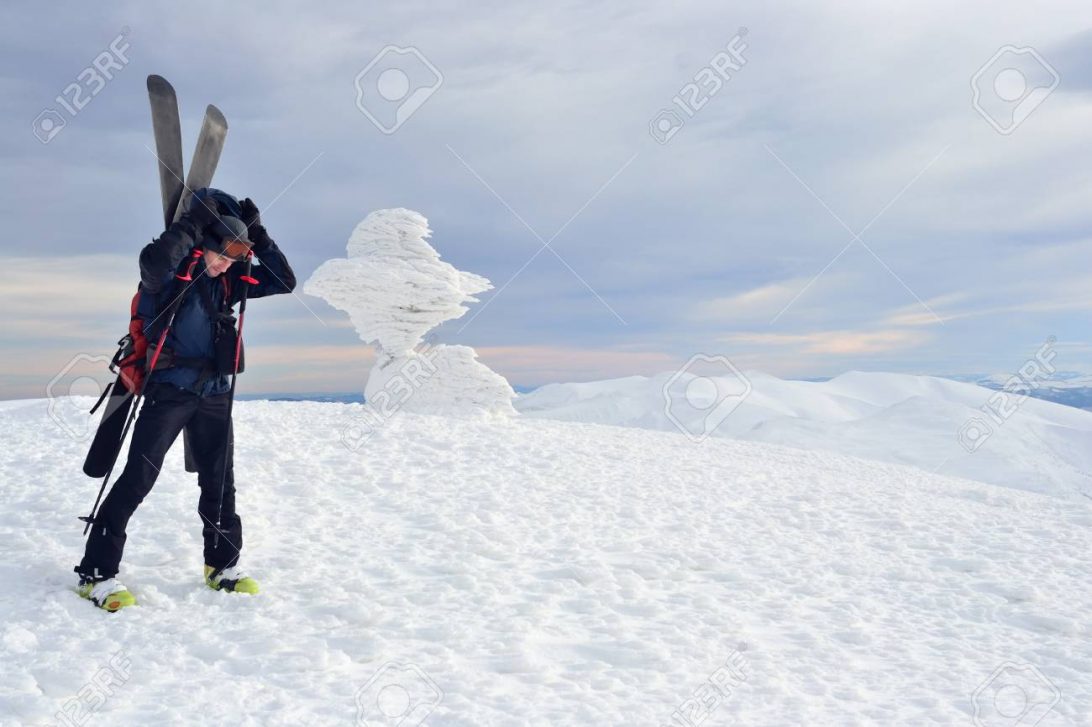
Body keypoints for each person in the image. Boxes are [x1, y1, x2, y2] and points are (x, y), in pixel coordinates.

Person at [75, 190, 296, 611]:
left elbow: (284, 280)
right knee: (137, 480)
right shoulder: (170, 278)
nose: (225, 265)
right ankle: (95, 573)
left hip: (215, 392)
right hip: (169, 392)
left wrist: (260, 234)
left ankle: (221, 566)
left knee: (219, 480)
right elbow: (155, 263)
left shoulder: (228, 281)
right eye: (220, 256)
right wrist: (193, 222)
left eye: (232, 260)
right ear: (203, 246)